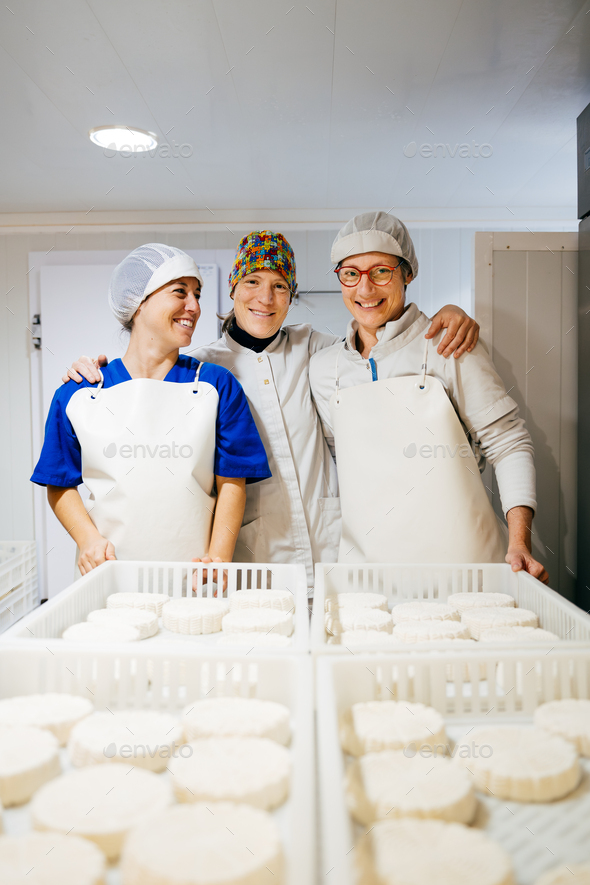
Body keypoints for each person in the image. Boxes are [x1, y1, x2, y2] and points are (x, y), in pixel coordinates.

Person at [65, 231, 480, 592]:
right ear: (233, 288)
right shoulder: (203, 373)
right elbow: (142, 387)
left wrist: (448, 315)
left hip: (332, 545)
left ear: (291, 296)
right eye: (253, 281)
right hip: (254, 557)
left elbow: (378, 341)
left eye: (280, 286)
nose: (265, 298)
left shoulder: (318, 349)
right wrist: (89, 371)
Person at [309, 212, 548, 583]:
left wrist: (520, 542)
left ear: (407, 274)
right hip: (370, 575)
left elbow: (509, 443)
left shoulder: (450, 346)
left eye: (381, 271)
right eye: (351, 273)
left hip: (466, 565)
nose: (365, 289)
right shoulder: (325, 370)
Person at [32, 244, 270, 575]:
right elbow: (59, 482)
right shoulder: (80, 393)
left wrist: (218, 559)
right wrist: (87, 540)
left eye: (197, 295)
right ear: (137, 302)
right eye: (180, 292)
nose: (194, 306)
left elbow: (233, 481)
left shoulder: (216, 385)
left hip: (196, 577)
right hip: (107, 575)